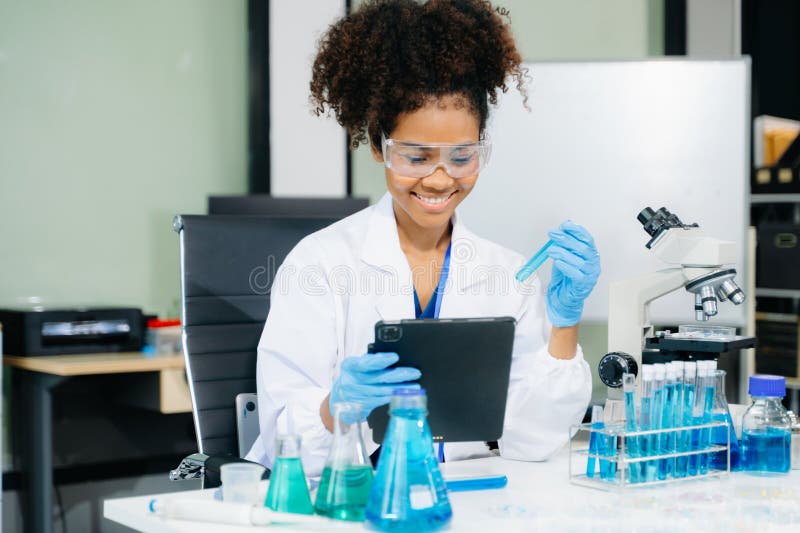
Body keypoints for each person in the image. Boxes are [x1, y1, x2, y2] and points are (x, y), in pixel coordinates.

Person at [246, 0, 599, 477]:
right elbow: (281, 439)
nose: (439, 179)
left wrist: (563, 328)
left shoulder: (508, 274)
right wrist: (337, 407)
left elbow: (531, 441)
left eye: (462, 156)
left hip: (471, 503)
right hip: (351, 500)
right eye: (415, 157)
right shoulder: (320, 264)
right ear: (378, 145)